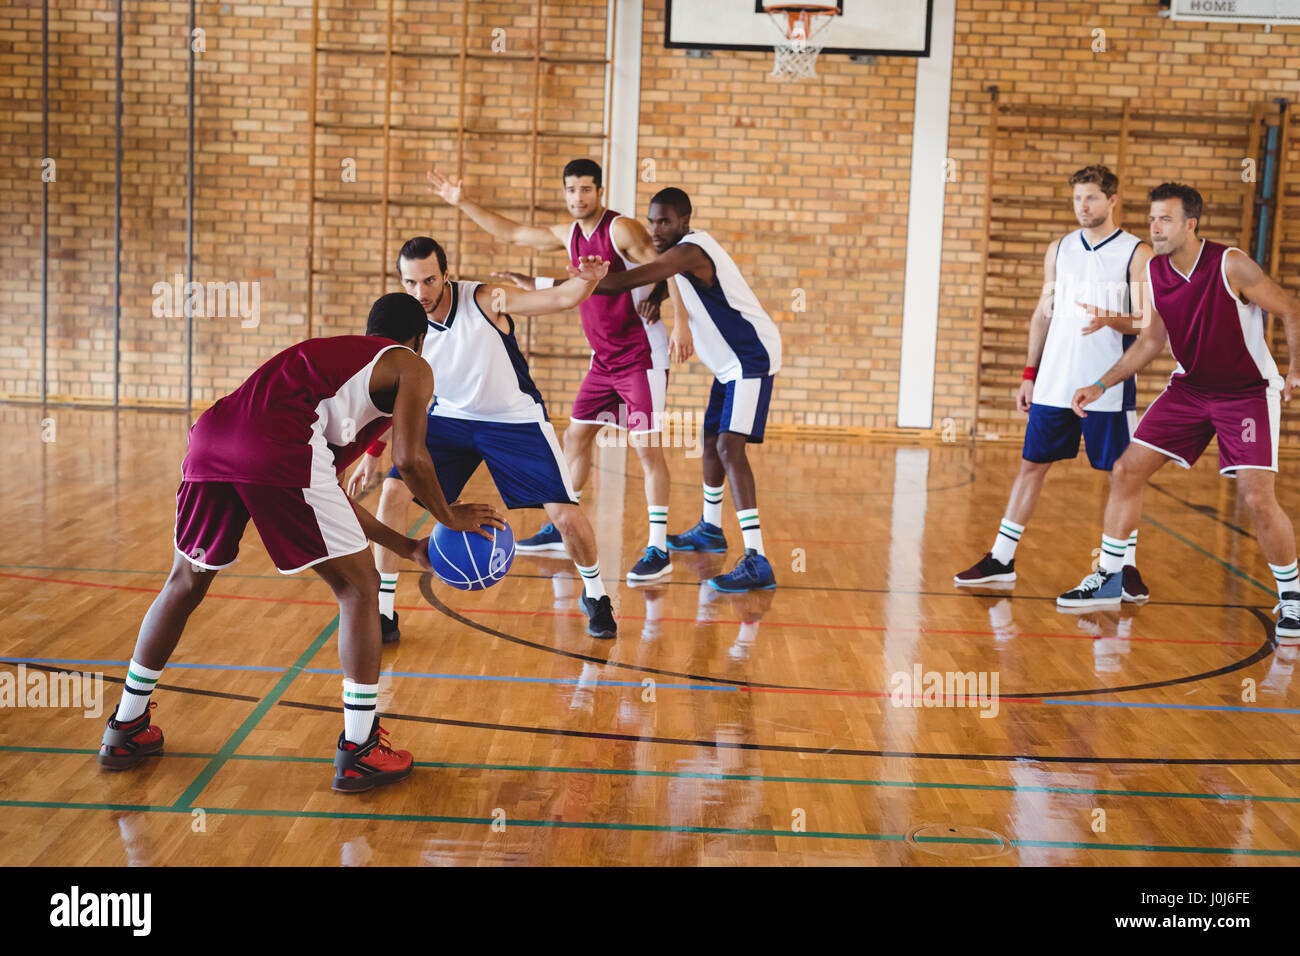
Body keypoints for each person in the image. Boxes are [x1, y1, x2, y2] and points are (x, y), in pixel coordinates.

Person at [98, 294, 505, 791]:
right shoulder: (412, 365)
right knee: (359, 588)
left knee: (184, 582)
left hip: (210, 438)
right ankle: (360, 750)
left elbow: (321, 491)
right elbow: (412, 458)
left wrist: (409, 546)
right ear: (420, 339)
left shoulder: (336, 368)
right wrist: (449, 514)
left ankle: (125, 726)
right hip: (274, 450)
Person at [1056, 182, 1300, 646]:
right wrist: (1100, 383)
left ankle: (1293, 598)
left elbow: (1290, 308)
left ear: (1191, 224)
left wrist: (1294, 372)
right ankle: (1109, 575)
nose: (1155, 227)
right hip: (1190, 389)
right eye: (1152, 219)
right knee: (1127, 469)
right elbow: (1151, 342)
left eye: (1165, 219)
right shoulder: (1155, 272)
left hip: (1246, 393)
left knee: (1255, 497)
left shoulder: (1230, 263)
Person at [429, 159, 691, 584]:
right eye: (571, 190)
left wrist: (679, 319)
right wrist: (463, 203)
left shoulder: (620, 229)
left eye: (586, 190)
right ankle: (559, 527)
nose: (578, 198)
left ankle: (658, 548)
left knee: (645, 449)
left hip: (641, 357)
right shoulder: (567, 234)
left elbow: (669, 265)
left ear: (600, 192)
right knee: (576, 435)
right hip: (602, 361)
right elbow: (510, 232)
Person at [347, 239, 622, 638]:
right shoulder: (404, 324)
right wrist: (372, 453)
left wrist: (586, 282)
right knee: (392, 494)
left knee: (565, 515)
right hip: (449, 419)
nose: (420, 293)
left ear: (445, 274)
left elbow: (558, 298)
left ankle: (596, 594)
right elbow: (388, 396)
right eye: (410, 283)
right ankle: (384, 610)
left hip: (513, 419)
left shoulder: (483, 300)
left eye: (428, 280)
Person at [954, 165, 1151, 601]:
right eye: (1078, 198)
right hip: (1054, 382)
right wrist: (1029, 373)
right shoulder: (1059, 249)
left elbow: (1145, 324)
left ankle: (1124, 567)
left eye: (1092, 198)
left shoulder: (1137, 254)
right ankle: (1001, 559)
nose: (1084, 206)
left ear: (1113, 200)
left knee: (1121, 476)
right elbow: (1043, 313)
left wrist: (1110, 319)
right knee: (1031, 466)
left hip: (1107, 383)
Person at [590, 187, 781, 592]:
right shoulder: (680, 254)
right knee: (710, 438)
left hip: (751, 358)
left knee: (730, 447)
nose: (656, 229)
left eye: (665, 221)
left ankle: (757, 558)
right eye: (651, 220)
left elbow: (630, 279)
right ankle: (711, 530)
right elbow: (664, 277)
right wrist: (658, 299)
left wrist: (582, 279)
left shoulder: (690, 250)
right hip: (728, 363)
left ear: (684, 222)